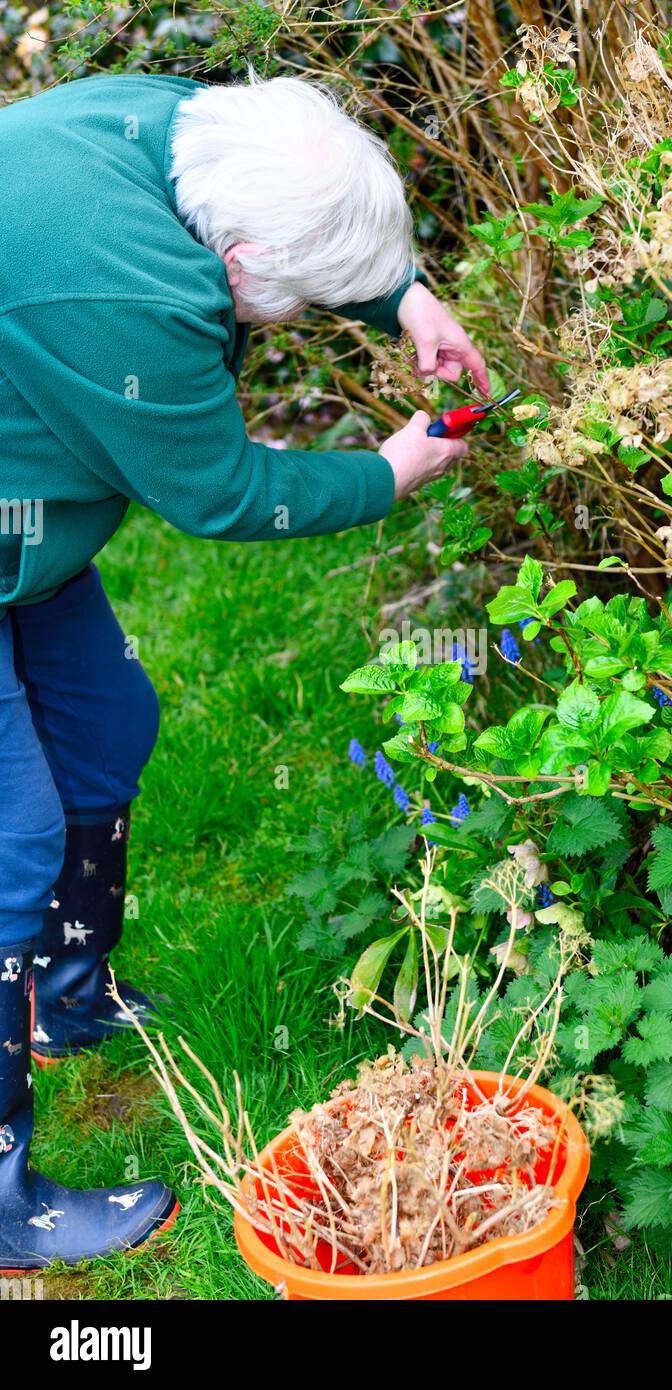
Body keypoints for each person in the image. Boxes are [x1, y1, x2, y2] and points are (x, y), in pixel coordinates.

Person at [0, 70, 488, 1270]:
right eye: (303, 307)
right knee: (7, 837)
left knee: (108, 723)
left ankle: (64, 992)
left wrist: (404, 300)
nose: (302, 320)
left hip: (24, 530)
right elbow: (222, 493)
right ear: (238, 268)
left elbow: (298, 206)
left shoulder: (181, 124)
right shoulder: (133, 299)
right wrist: (385, 476)